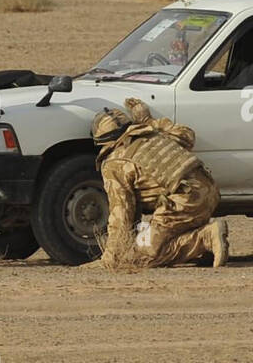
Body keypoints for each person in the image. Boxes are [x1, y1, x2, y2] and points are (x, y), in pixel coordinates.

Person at [92, 97, 228, 268]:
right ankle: (201, 244)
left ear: (102, 142)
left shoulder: (115, 163)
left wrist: (110, 258)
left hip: (183, 202)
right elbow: (186, 135)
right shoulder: (154, 134)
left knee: (136, 258)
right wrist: (150, 121)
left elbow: (121, 216)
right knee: (150, 237)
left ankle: (203, 239)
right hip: (209, 192)